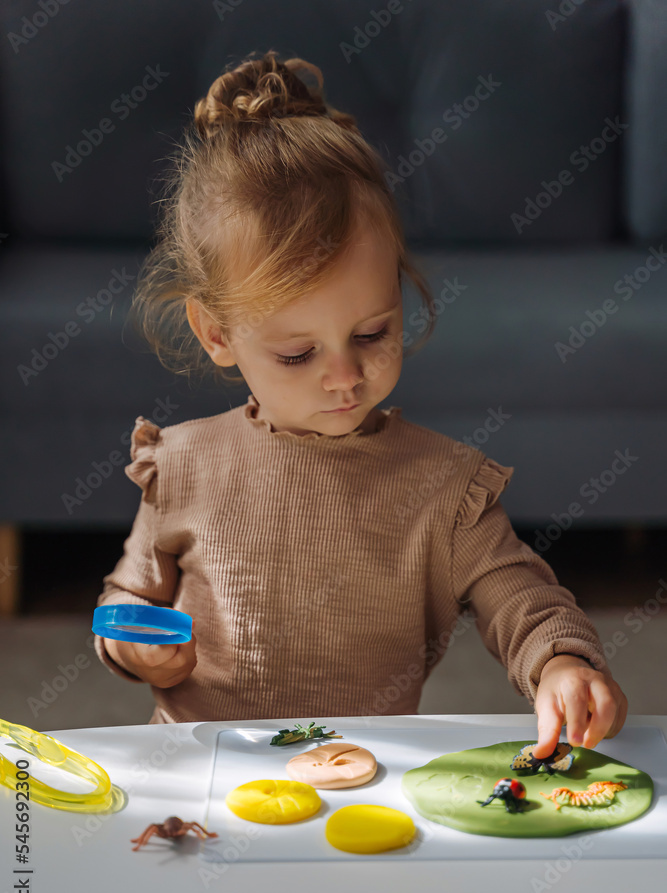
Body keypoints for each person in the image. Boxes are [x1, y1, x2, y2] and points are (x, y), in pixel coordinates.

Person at [93, 50, 627, 755]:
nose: (344, 376)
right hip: (200, 766)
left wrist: (560, 662)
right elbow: (127, 599)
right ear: (216, 333)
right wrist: (134, 647)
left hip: (363, 769)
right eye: (298, 353)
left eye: (371, 333)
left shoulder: (443, 487)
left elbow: (519, 594)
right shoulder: (180, 466)